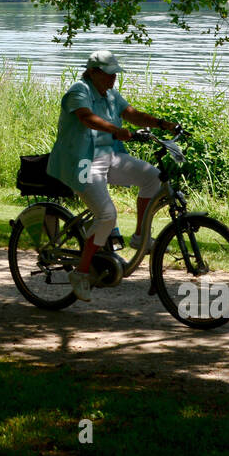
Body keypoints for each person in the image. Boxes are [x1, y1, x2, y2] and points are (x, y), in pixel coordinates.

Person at [46, 49, 181, 301]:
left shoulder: (109, 94)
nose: (113, 79)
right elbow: (86, 118)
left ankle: (140, 235)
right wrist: (115, 130)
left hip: (110, 156)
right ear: (94, 72)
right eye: (109, 74)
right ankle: (81, 272)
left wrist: (163, 124)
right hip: (83, 162)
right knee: (107, 214)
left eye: (115, 74)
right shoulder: (79, 91)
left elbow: (131, 114)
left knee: (152, 177)